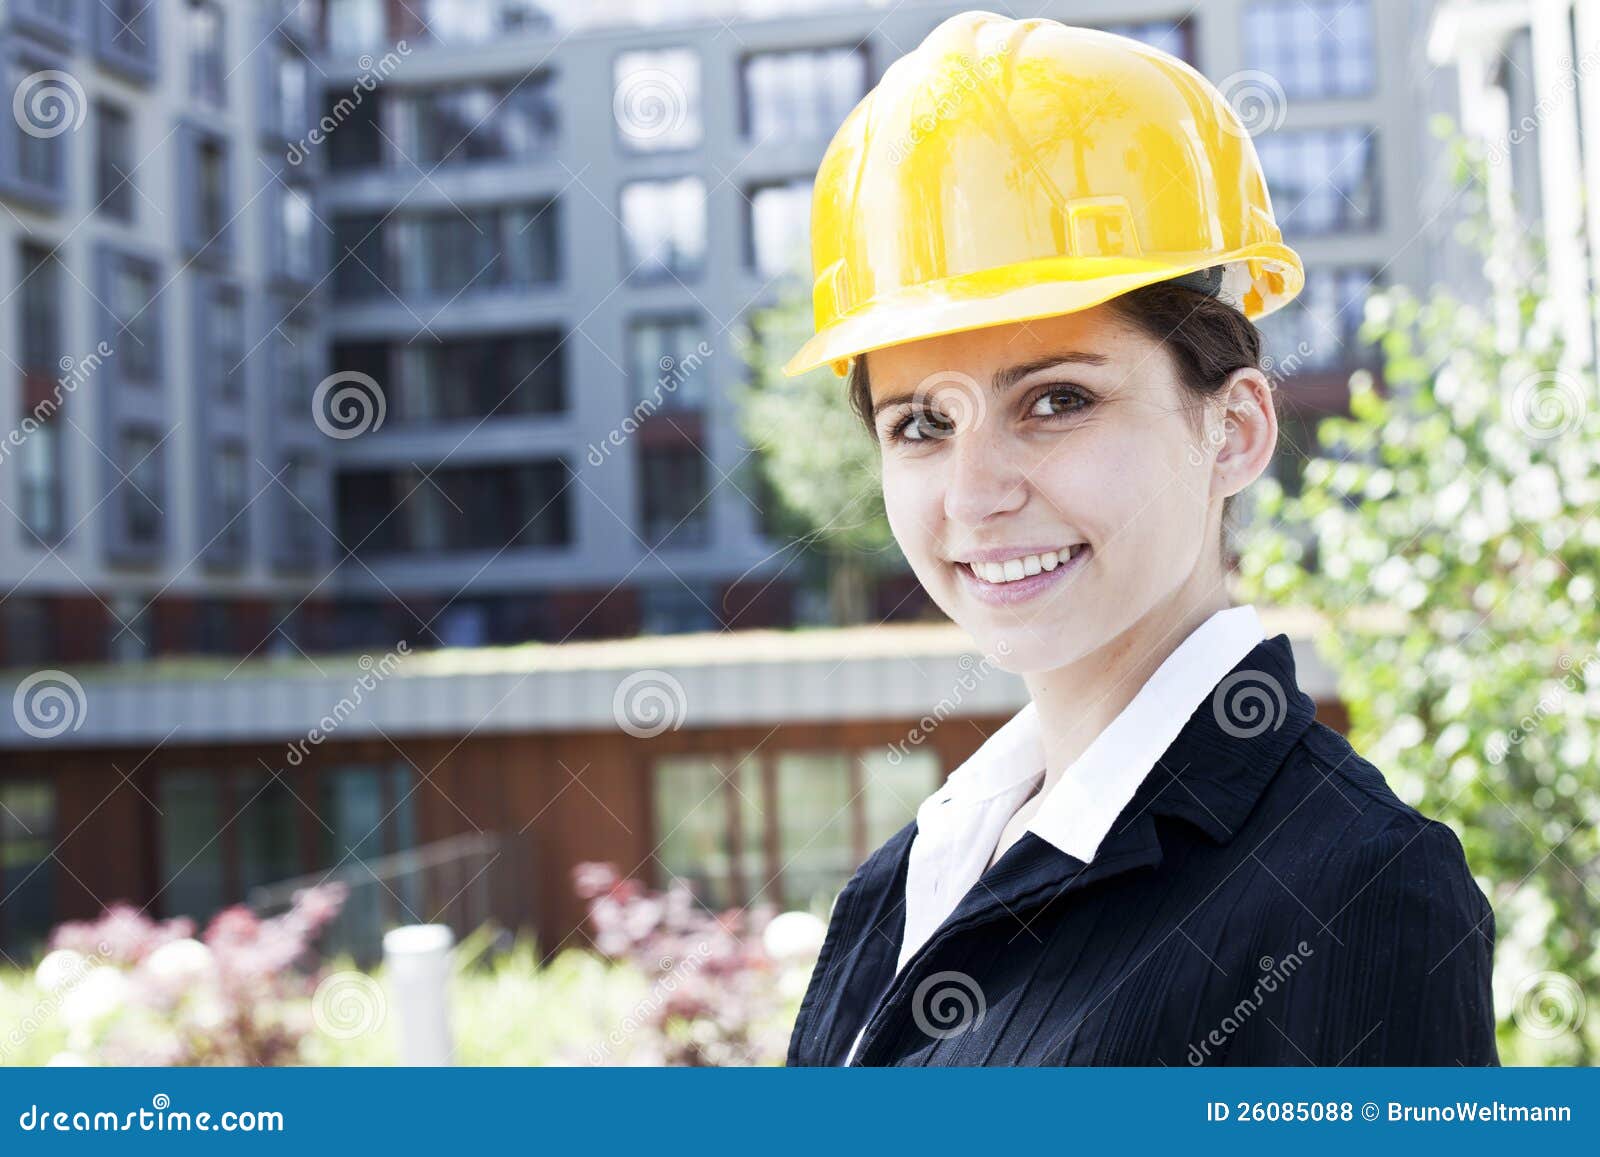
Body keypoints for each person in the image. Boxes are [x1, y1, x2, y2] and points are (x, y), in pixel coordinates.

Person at [780, 12, 1497, 1067]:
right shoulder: (917, 870)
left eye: (1058, 400)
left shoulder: (1355, 890)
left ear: (1235, 429)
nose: (974, 494)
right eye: (921, 423)